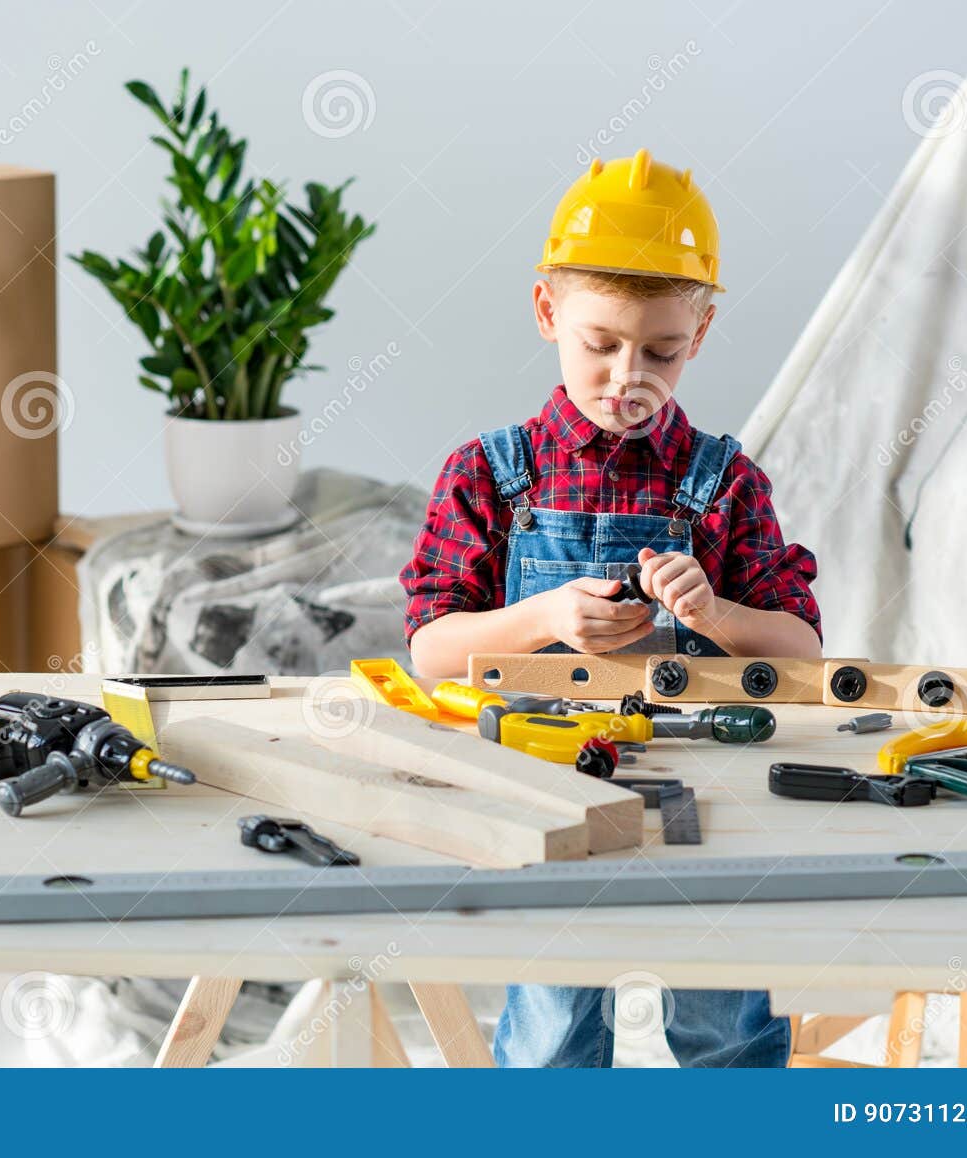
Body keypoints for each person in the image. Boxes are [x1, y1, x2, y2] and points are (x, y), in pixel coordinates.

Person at [399, 149, 822, 1067]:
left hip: (708, 795)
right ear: (548, 311)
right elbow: (432, 650)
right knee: (552, 1033)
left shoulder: (723, 483)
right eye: (601, 344)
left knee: (724, 1032)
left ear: (700, 333)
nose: (630, 375)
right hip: (547, 793)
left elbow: (801, 649)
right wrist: (547, 616)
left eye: (662, 350)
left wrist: (715, 615)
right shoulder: (490, 475)